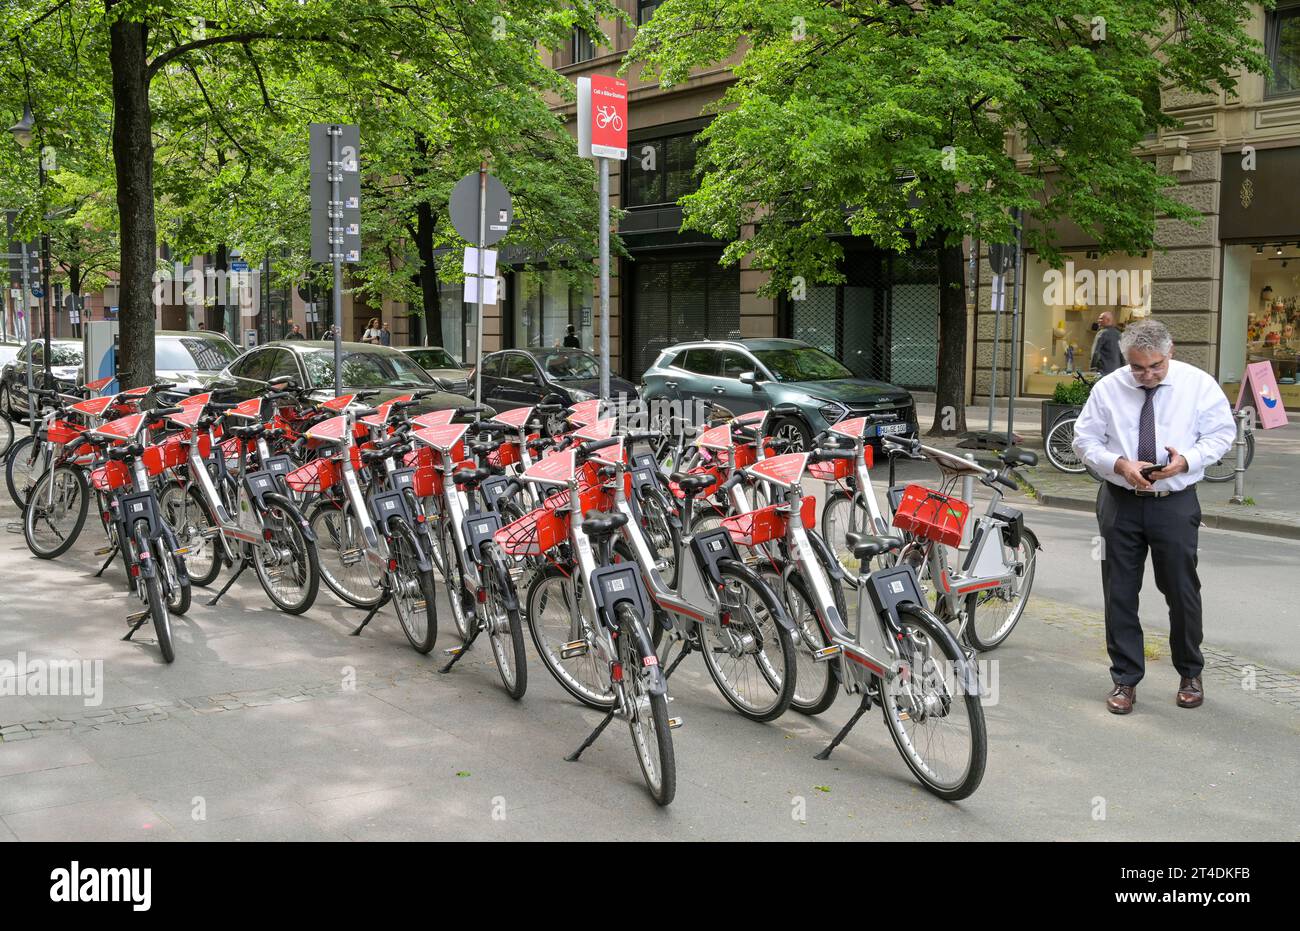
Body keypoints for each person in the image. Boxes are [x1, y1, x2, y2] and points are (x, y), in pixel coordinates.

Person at [1071, 318, 1235, 716]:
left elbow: (1221, 434)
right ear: (1126, 359)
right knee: (1120, 592)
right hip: (1120, 501)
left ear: (1171, 351)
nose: (1146, 375)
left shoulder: (1198, 385)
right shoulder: (1108, 388)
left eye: (1155, 366)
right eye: (1137, 367)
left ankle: (1190, 672)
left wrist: (1186, 461)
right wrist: (1119, 463)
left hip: (1174, 504)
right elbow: (1083, 439)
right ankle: (1125, 679)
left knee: (1181, 589)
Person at [1090, 311, 1122, 375]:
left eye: (1101, 318)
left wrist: (1092, 368)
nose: (1098, 320)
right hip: (1116, 371)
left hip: (1103, 371)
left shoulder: (1102, 333)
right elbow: (1122, 354)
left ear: (1108, 320)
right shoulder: (1119, 334)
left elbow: (1095, 352)